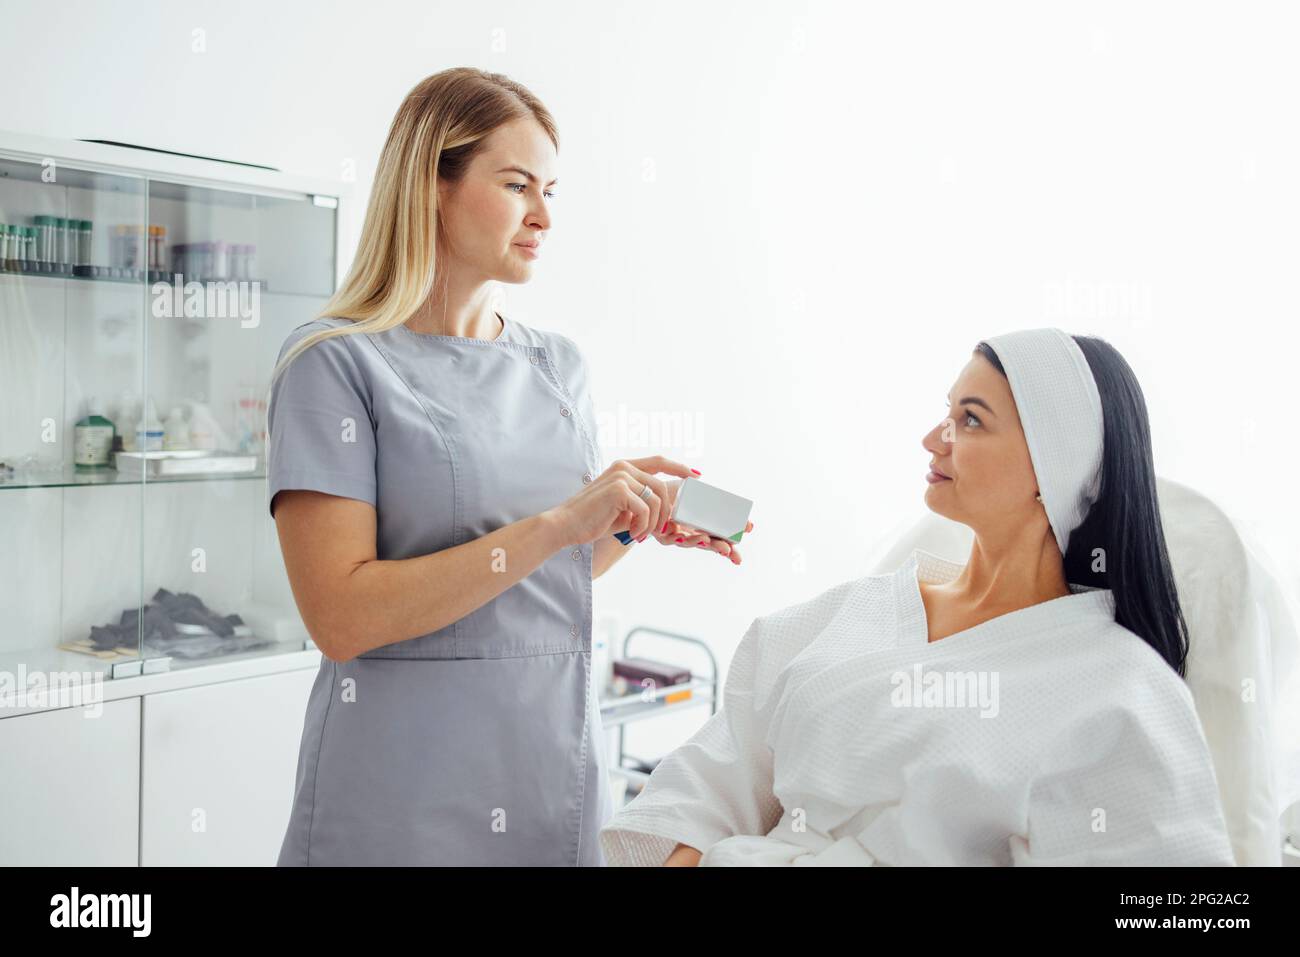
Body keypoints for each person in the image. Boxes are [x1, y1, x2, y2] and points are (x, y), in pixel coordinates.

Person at [267, 67, 751, 866]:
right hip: (403, 783)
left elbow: (544, 577)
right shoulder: (334, 364)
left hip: (545, 764)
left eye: (552, 190)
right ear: (431, 183)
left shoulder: (559, 366)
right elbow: (340, 615)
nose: (543, 216)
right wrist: (560, 520)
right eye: (518, 184)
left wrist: (628, 521)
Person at [600, 329, 1236, 866]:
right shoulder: (845, 614)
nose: (935, 439)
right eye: (948, 411)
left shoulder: (1121, 693)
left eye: (971, 420)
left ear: (1054, 471)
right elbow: (706, 787)